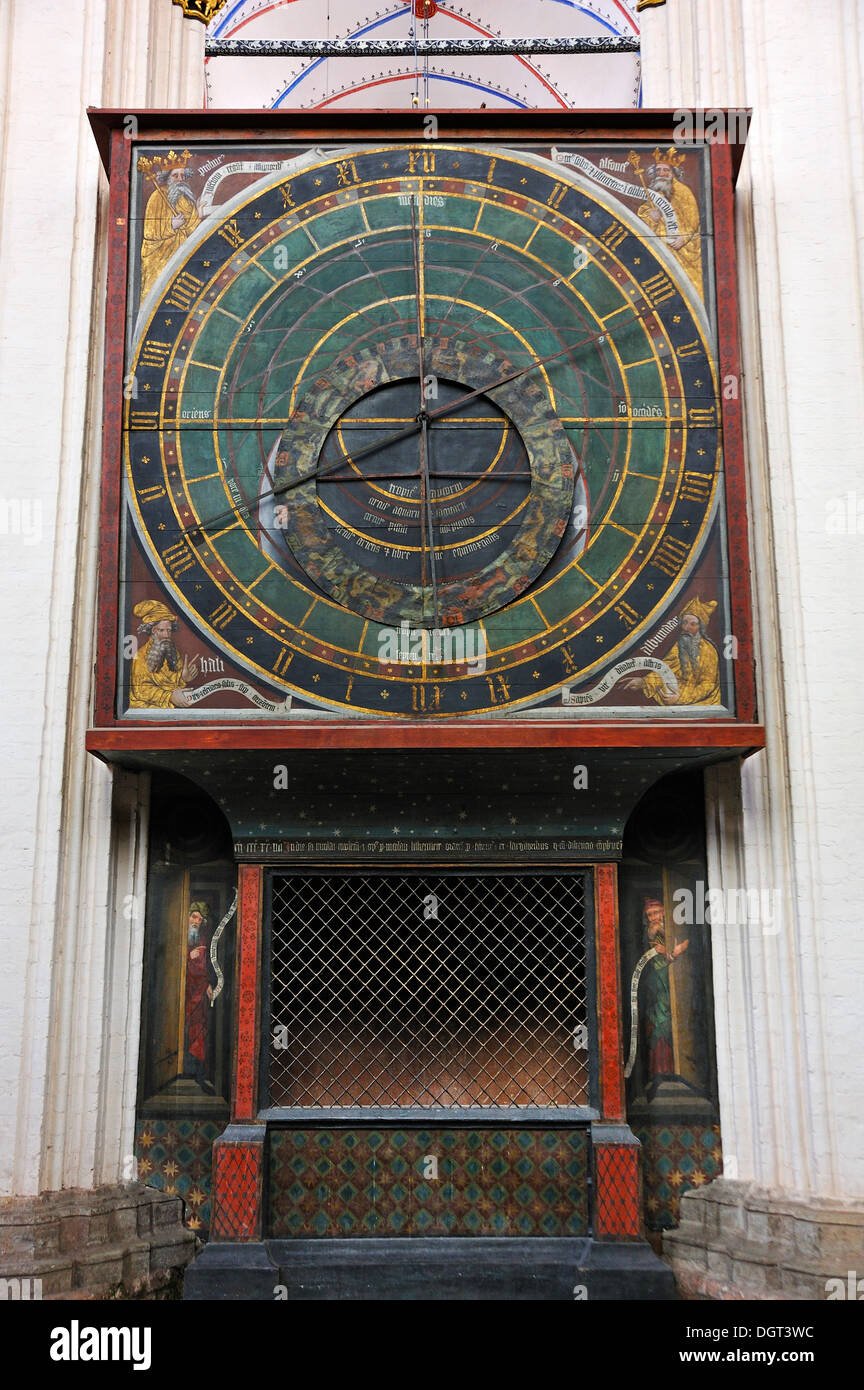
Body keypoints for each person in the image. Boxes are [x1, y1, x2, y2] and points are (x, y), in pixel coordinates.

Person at [624, 597, 720, 706]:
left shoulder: (708, 651)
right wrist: (644, 683)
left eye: (692, 624)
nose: (686, 628)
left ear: (700, 628)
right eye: (684, 623)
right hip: (677, 693)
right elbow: (666, 669)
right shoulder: (680, 645)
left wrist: (679, 698)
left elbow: (708, 685)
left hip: (702, 702)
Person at [637, 147, 704, 299]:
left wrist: (684, 238)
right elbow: (644, 211)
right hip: (660, 242)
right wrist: (650, 215)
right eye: (658, 170)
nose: (661, 173)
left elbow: (693, 220)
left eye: (665, 170)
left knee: (684, 283)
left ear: (673, 172)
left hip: (679, 244)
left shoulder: (683, 192)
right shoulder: (655, 190)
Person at [139, 156, 201, 299]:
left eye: (183, 176)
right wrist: (171, 226)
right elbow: (150, 232)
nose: (180, 179)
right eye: (176, 175)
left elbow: (193, 229)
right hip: (160, 256)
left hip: (181, 254)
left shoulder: (186, 199)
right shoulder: (157, 197)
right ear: (167, 177)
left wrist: (199, 213)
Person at [129, 599, 198, 708]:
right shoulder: (140, 657)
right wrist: (170, 697)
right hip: (147, 708)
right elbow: (142, 690)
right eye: (161, 630)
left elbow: (172, 681)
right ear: (153, 631)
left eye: (169, 630)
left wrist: (183, 677)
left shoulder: (171, 650)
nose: (166, 635)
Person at [184, 902, 216, 1092]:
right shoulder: (182, 939)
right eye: (193, 917)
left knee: (200, 1032)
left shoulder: (203, 939)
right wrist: (188, 957)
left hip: (200, 993)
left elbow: (207, 966)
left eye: (199, 918)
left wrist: (209, 983)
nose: (196, 921)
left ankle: (200, 1075)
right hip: (184, 995)